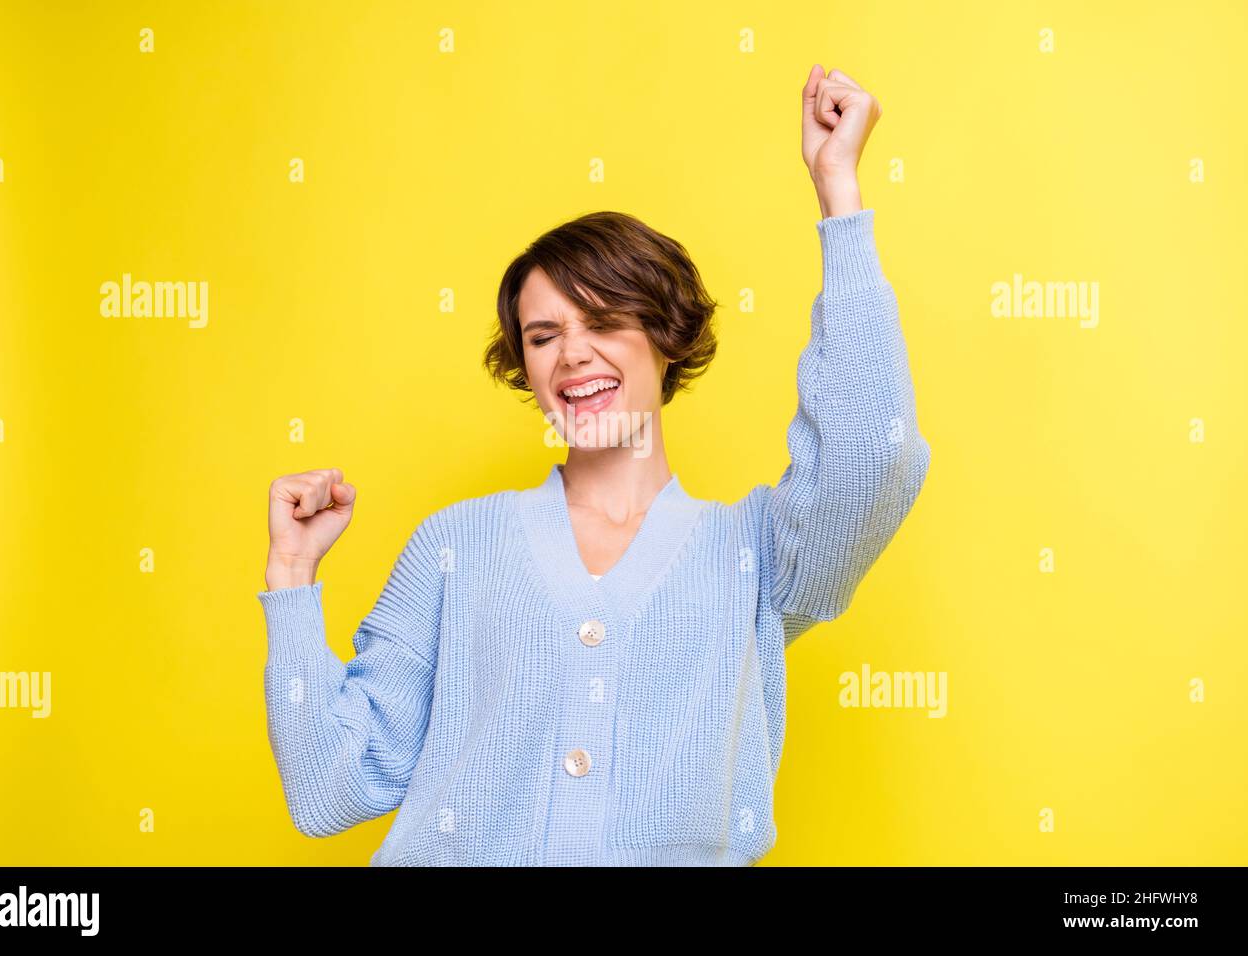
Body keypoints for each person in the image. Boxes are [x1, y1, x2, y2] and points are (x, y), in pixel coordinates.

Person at [257, 64, 930, 865]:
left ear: (666, 336)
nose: (572, 353)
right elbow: (330, 786)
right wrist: (291, 581)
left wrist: (838, 198)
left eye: (604, 320)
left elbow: (869, 455)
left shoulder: (753, 558)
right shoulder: (455, 546)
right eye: (543, 337)